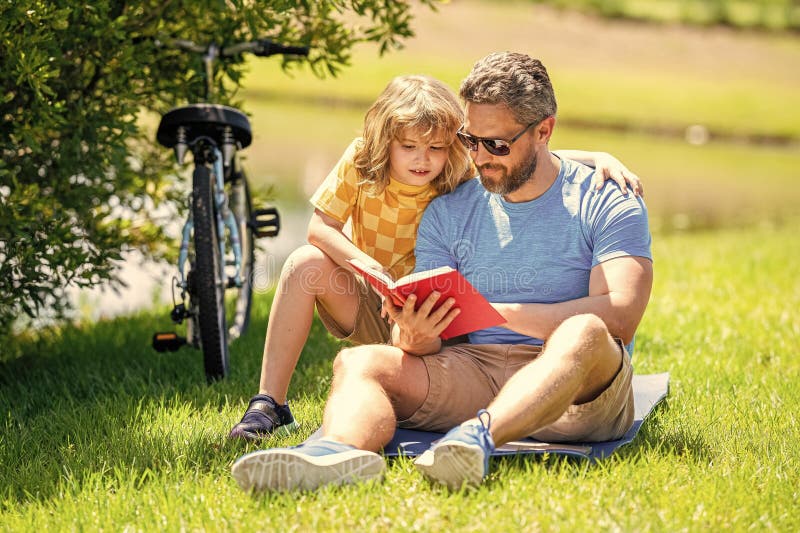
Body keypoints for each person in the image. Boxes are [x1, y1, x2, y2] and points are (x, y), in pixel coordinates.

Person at [228, 73, 643, 442]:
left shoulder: (466, 171)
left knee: (582, 330)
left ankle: (478, 436)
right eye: (472, 142)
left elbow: (528, 159)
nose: (479, 156)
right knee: (333, 317)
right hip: (421, 325)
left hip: (530, 364)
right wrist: (398, 309)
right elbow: (321, 229)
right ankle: (306, 433)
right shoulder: (422, 187)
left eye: (438, 147)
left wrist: (596, 157)